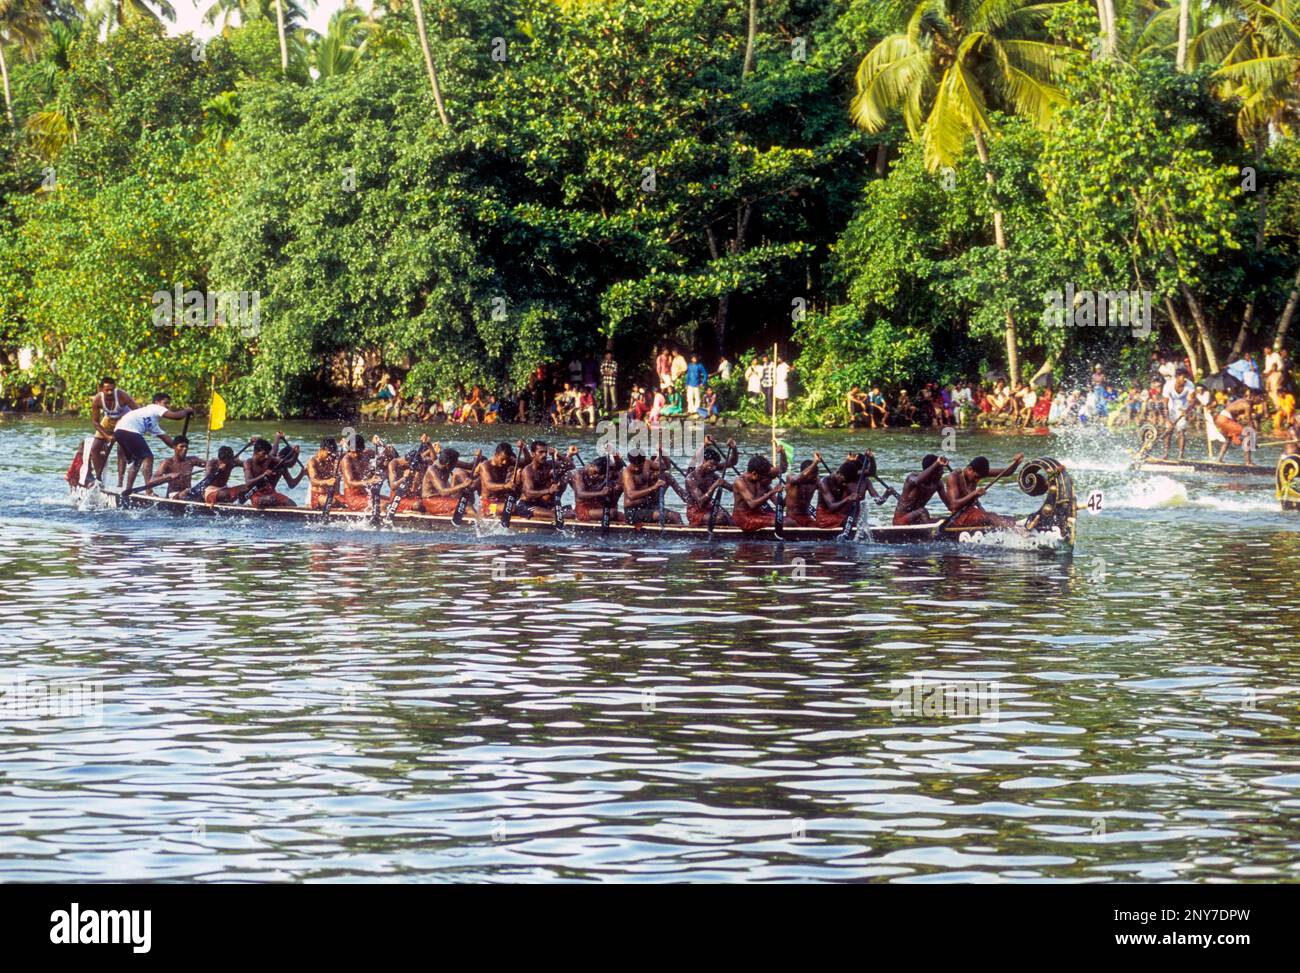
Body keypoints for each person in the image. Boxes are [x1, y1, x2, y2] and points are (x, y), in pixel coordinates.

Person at [113, 393, 195, 494]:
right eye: (165, 403)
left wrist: (180, 446)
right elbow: (176, 416)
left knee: (137, 460)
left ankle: (128, 489)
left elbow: (169, 442)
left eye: (169, 404)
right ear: (157, 402)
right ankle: (149, 490)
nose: (167, 406)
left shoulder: (153, 423)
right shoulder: (154, 407)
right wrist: (187, 410)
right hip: (127, 429)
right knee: (148, 457)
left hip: (119, 431)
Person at [941, 453, 1023, 529]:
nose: (977, 480)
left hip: (972, 513)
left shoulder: (978, 472)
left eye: (979, 478)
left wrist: (1016, 463)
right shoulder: (954, 477)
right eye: (976, 477)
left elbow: (1006, 472)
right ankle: (1015, 530)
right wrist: (974, 493)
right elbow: (953, 505)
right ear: (970, 469)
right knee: (988, 518)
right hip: (958, 517)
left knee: (1006, 518)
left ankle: (1015, 528)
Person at [89, 377, 138, 485]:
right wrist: (107, 436)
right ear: (101, 389)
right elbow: (96, 422)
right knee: (95, 448)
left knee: (121, 451)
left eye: (112, 389)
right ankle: (99, 480)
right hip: (108, 420)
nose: (110, 392)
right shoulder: (97, 399)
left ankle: (120, 482)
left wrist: (127, 424)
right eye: (107, 390)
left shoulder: (122, 395)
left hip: (125, 420)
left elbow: (138, 411)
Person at [621, 448, 683, 525]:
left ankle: (684, 534)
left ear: (644, 461)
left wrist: (662, 453)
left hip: (647, 507)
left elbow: (667, 466)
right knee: (667, 516)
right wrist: (653, 487)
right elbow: (631, 495)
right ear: (630, 462)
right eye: (634, 466)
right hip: (633, 512)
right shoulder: (627, 473)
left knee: (676, 516)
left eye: (640, 466)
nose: (637, 469)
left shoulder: (648, 463)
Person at [731, 454, 788, 532]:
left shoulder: (761, 475)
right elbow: (752, 504)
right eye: (764, 476)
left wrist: (782, 453)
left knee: (789, 520)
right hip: (743, 518)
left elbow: (783, 468)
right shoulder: (740, 482)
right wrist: (772, 492)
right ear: (754, 474)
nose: (767, 478)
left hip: (759, 513)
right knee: (787, 522)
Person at [816, 458, 877, 530]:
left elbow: (870, 472)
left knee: (858, 522)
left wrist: (871, 458)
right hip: (824, 517)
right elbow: (831, 506)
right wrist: (848, 499)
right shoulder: (824, 482)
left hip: (837, 515)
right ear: (838, 473)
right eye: (843, 481)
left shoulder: (846, 474)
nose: (844, 483)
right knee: (851, 522)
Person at [243, 436, 303, 508]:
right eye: (264, 453)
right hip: (256, 495)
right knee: (272, 499)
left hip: (270, 492)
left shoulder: (269, 458)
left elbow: (289, 464)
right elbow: (248, 483)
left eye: (267, 454)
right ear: (256, 452)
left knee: (292, 504)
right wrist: (264, 475)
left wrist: (296, 454)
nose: (266, 457)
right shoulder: (248, 463)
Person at [684, 443, 735, 527]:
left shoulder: (711, 474)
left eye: (715, 465)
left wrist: (734, 449)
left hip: (708, 507)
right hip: (695, 512)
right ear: (703, 461)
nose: (714, 468)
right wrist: (714, 486)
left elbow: (732, 487)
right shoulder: (691, 478)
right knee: (721, 517)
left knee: (730, 518)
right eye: (711, 464)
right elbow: (701, 502)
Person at [422, 446, 481, 516]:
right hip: (431, 501)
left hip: (444, 498)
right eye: (455, 463)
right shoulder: (432, 470)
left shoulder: (447, 462)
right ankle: (483, 526)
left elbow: (470, 466)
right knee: (466, 506)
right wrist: (463, 485)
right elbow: (443, 491)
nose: (456, 464)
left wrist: (477, 457)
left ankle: (457, 513)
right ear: (448, 465)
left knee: (467, 501)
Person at [892, 454, 950, 526]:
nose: (942, 472)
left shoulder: (938, 484)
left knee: (947, 519)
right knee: (922, 511)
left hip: (918, 520)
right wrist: (936, 463)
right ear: (932, 470)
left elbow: (950, 506)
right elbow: (916, 481)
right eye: (939, 470)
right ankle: (931, 533)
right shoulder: (911, 478)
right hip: (900, 521)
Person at [141, 436, 205, 497]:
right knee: (186, 492)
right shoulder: (167, 463)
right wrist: (169, 475)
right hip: (173, 495)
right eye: (181, 446)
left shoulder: (192, 460)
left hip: (187, 492)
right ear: (174, 447)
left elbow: (208, 464)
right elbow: (152, 480)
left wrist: (212, 463)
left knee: (199, 491)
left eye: (186, 447)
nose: (185, 449)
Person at [573, 452, 625, 523]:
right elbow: (580, 494)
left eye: (599, 474)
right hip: (584, 509)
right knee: (612, 513)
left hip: (599, 507)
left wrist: (615, 456)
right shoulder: (579, 474)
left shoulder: (604, 472)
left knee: (623, 516)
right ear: (592, 465)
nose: (596, 476)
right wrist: (601, 493)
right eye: (595, 472)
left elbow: (619, 467)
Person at [1159, 371, 1195, 460]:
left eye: (1186, 377)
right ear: (1177, 377)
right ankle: (1165, 454)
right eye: (1183, 377)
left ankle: (1180, 456)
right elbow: (1165, 404)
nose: (1185, 380)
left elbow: (1192, 401)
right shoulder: (1168, 385)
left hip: (1183, 408)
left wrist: (1187, 410)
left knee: (1181, 431)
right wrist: (1167, 420)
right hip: (1171, 408)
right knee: (1168, 431)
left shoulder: (1189, 385)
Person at [784, 456, 823, 527]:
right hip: (792, 517)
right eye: (813, 476)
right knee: (791, 523)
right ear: (806, 473)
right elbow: (795, 479)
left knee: (819, 526)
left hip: (806, 517)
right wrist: (815, 463)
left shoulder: (815, 481)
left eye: (816, 475)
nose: (815, 477)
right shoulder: (791, 479)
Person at [306, 438, 343, 509]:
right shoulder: (313, 462)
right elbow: (313, 481)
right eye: (328, 454)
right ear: (321, 450)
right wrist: (327, 482)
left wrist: (347, 446)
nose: (330, 457)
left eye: (333, 454)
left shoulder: (334, 459)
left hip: (333, 496)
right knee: (334, 502)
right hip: (318, 497)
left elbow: (351, 455)